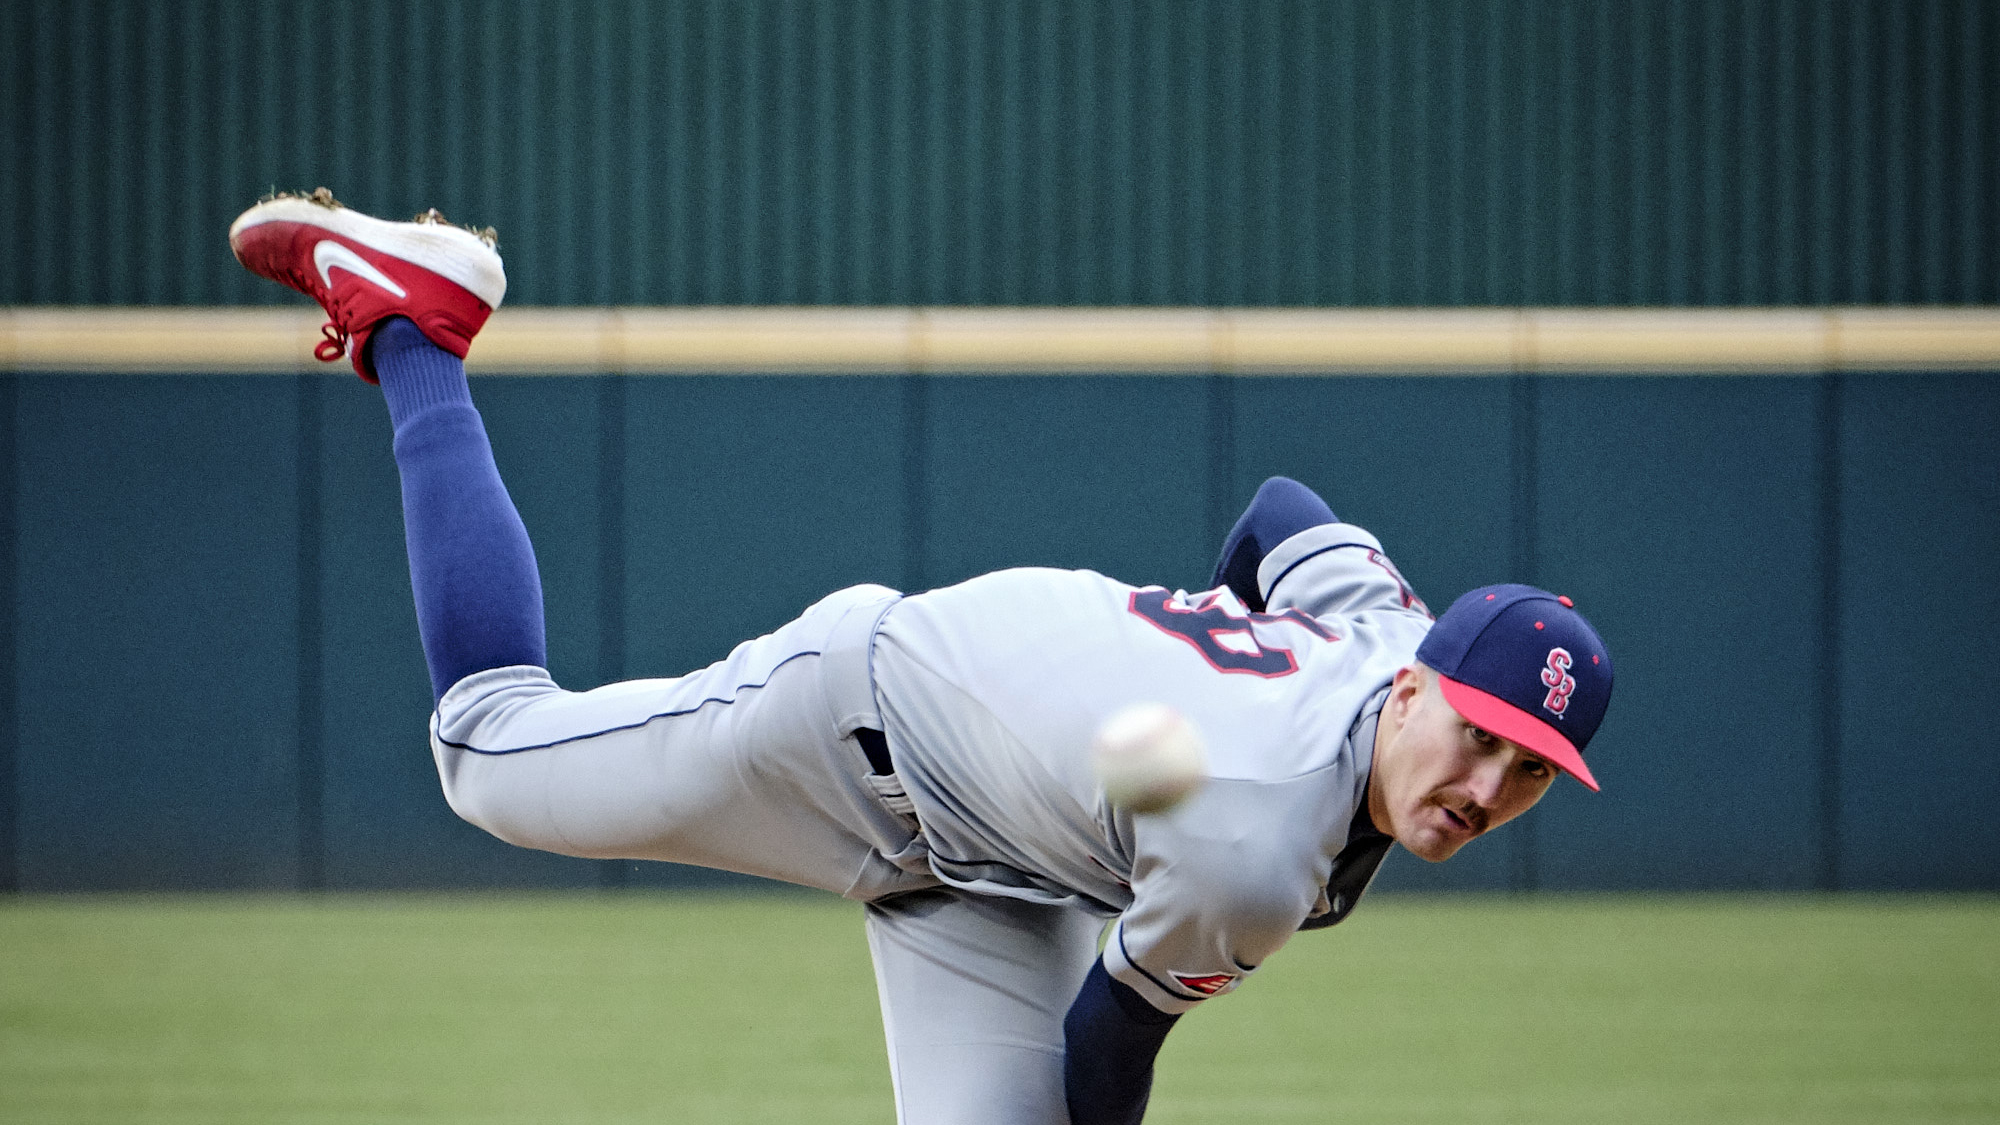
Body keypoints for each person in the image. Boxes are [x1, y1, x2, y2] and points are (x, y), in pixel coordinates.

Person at [230, 191, 1616, 1125]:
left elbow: (1282, 515)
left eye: (1530, 766)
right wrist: (1212, 699)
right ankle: (420, 324)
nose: (1489, 780)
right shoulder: (1250, 843)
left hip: (1012, 866)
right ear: (1426, 678)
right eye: (1482, 728)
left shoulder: (1377, 619)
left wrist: (1208, 655)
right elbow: (1107, 1047)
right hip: (859, 728)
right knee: (487, 752)